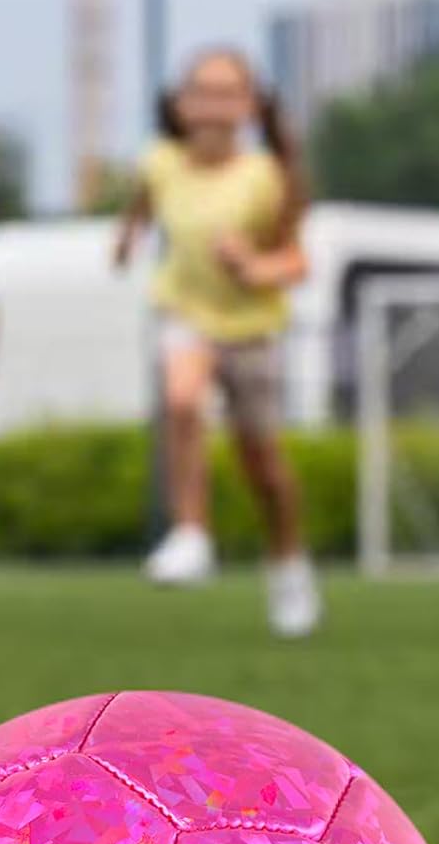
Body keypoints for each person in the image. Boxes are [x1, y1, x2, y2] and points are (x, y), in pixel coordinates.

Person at [115, 48, 320, 640]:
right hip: (184, 310)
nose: (213, 105)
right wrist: (125, 239)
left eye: (228, 93)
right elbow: (144, 206)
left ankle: (288, 566)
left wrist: (254, 266)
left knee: (264, 466)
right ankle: (192, 534)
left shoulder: (266, 177)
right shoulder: (160, 163)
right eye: (201, 91)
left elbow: (296, 259)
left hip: (251, 328)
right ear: (181, 103)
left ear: (250, 105)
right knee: (181, 399)